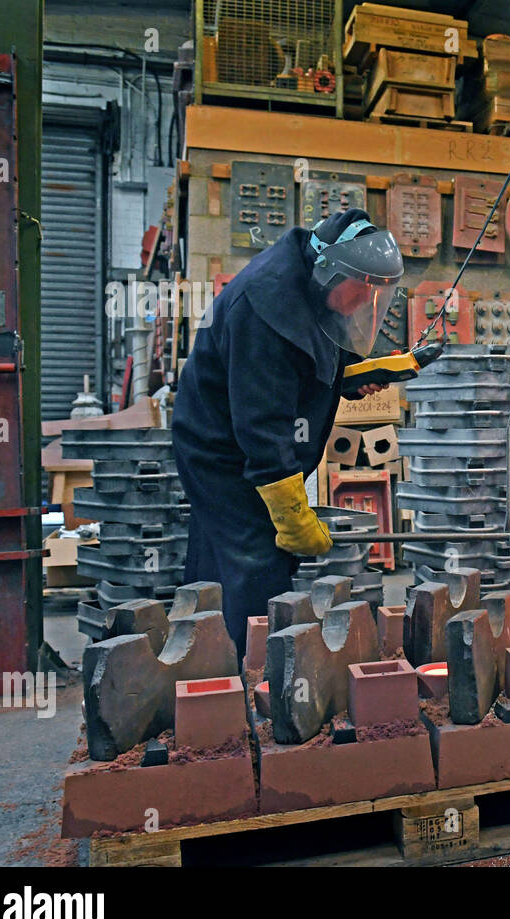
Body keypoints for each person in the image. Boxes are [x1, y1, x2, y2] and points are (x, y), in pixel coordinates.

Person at [172, 209, 405, 660]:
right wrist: (291, 514)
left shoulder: (315, 289)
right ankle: (255, 681)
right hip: (222, 451)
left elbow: (307, 357)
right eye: (359, 294)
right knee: (257, 563)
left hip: (250, 438)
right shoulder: (265, 308)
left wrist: (349, 379)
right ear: (330, 272)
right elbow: (262, 422)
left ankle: (203, 657)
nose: (363, 305)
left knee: (217, 559)